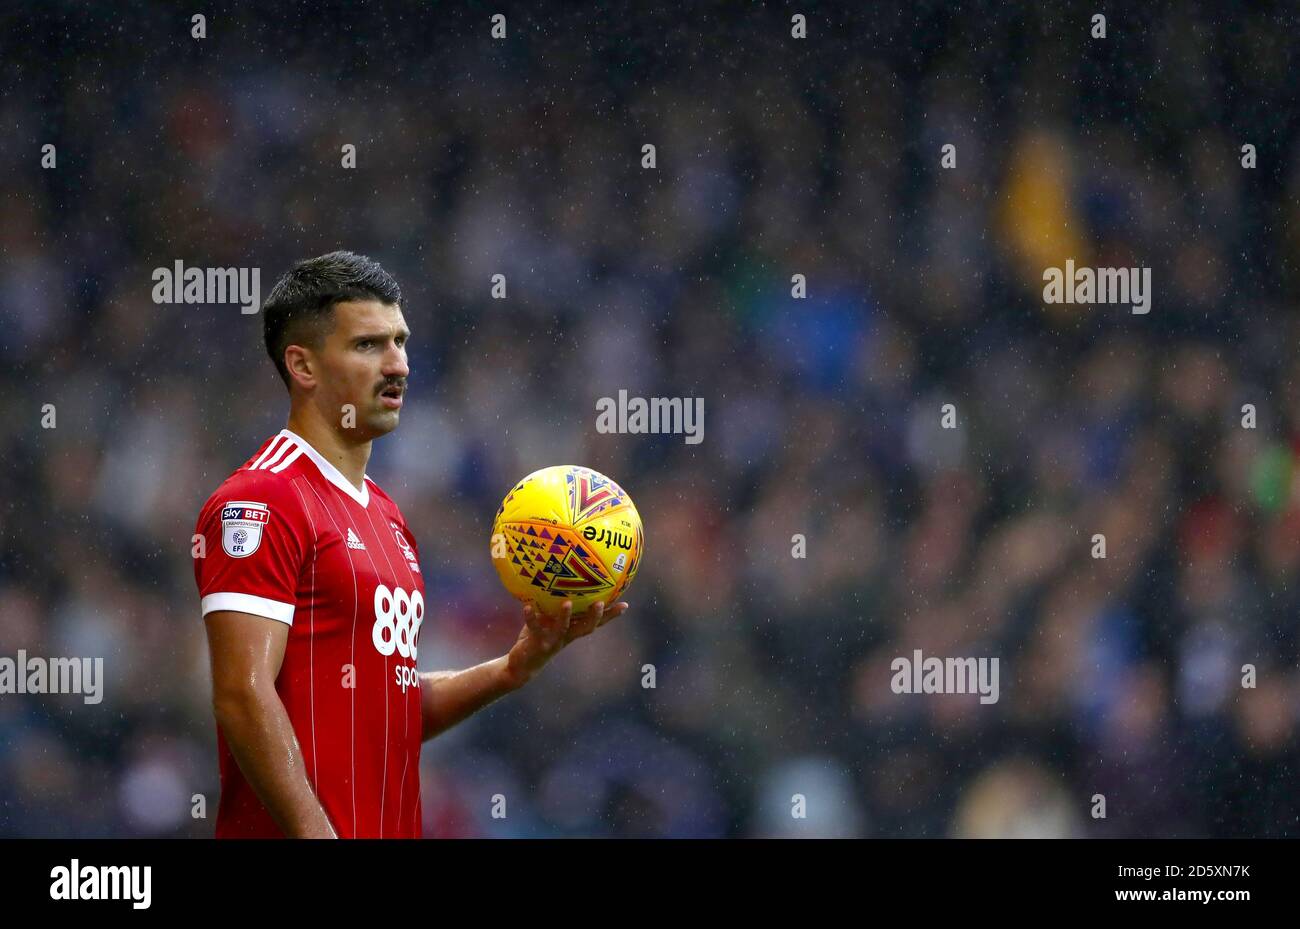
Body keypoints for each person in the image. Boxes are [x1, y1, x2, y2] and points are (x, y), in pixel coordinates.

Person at [192, 251, 628, 838]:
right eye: (368, 345)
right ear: (303, 365)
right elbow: (243, 694)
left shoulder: (387, 517)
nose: (397, 364)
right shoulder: (262, 500)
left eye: (400, 342)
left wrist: (510, 669)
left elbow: (386, 712)